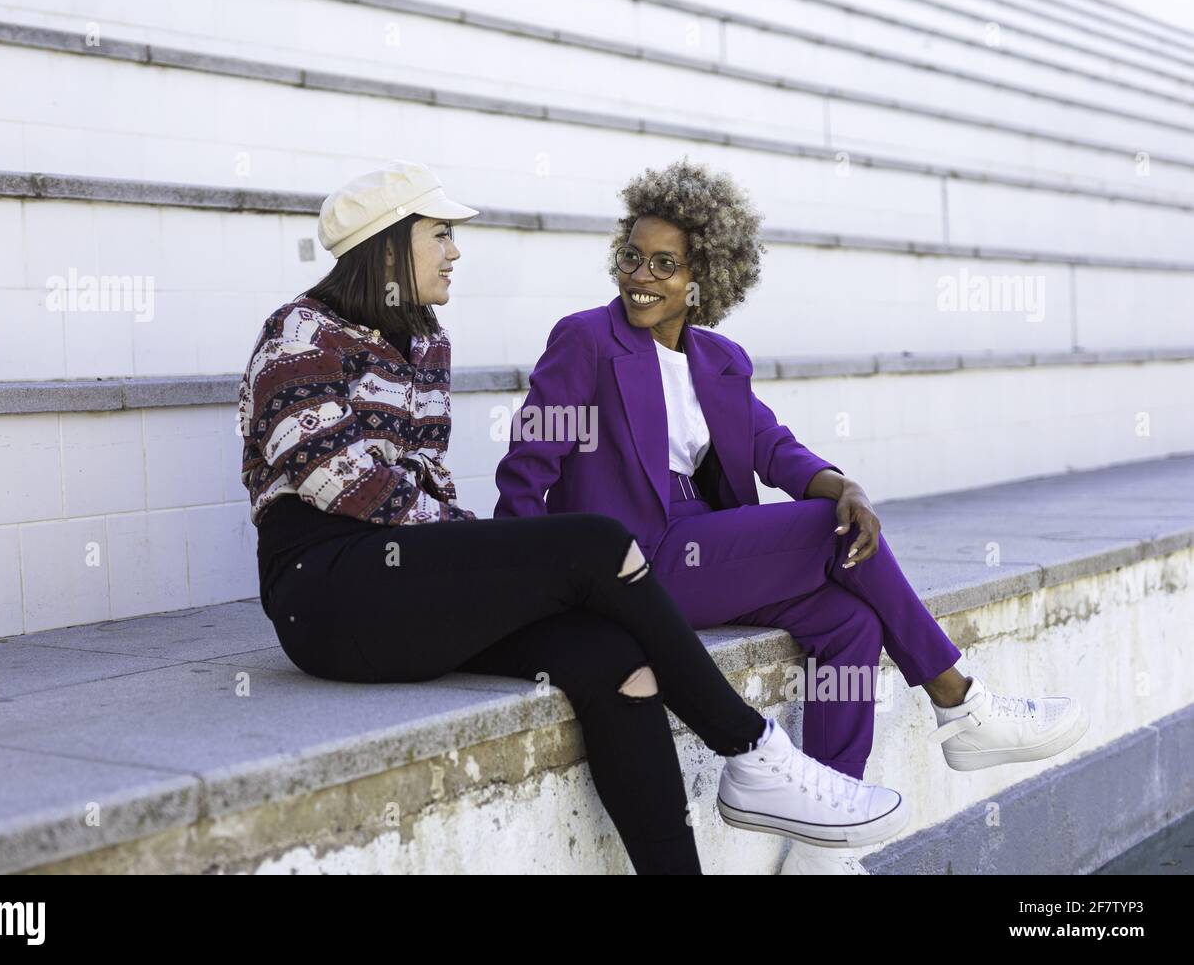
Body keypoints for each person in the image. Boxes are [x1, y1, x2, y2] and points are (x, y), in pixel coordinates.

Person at [239, 159, 914, 875]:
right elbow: (343, 480)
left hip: (407, 589)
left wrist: (489, 556)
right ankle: (754, 753)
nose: (455, 251)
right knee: (597, 543)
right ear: (389, 245)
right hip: (328, 592)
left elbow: (427, 480)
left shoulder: (425, 340)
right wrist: (500, 554)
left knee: (615, 660)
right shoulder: (302, 333)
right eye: (440, 235)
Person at [493, 157, 1090, 874]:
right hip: (630, 561)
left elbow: (773, 447)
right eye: (631, 256)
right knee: (821, 531)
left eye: (664, 263)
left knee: (852, 621)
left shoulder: (721, 360)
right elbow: (531, 461)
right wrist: (528, 590)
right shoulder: (588, 338)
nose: (640, 277)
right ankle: (960, 701)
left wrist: (844, 485)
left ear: (702, 277)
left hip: (698, 544)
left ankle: (818, 848)